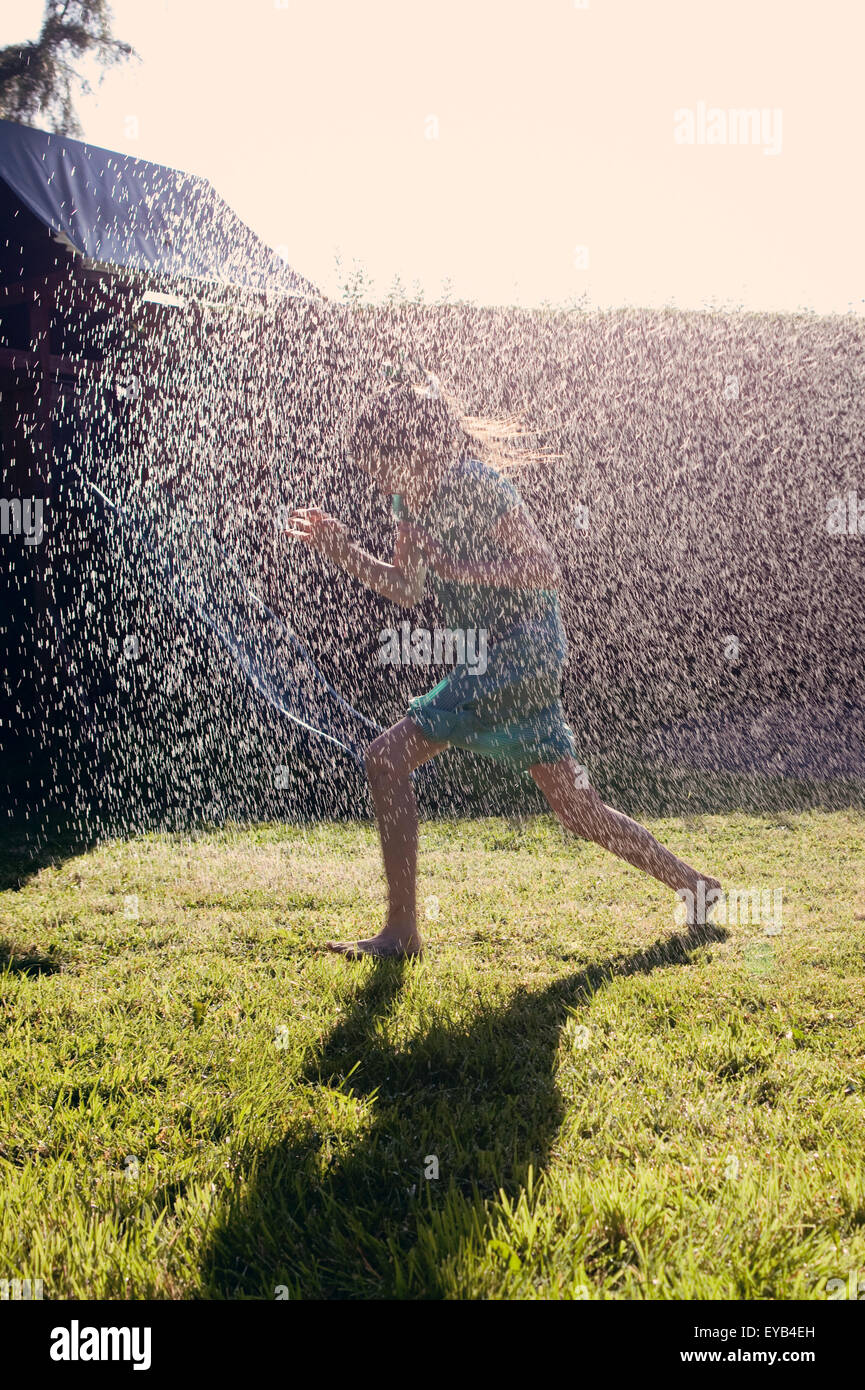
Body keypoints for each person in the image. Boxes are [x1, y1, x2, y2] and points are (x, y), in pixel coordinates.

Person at [286, 366, 721, 958]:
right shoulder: (407, 499)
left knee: (386, 760)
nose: (372, 476)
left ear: (416, 447)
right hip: (493, 656)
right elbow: (409, 587)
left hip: (520, 649)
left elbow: (546, 569)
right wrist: (345, 552)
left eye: (377, 461)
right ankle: (698, 888)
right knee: (577, 807)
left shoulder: (476, 484)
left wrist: (464, 569)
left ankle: (402, 933)